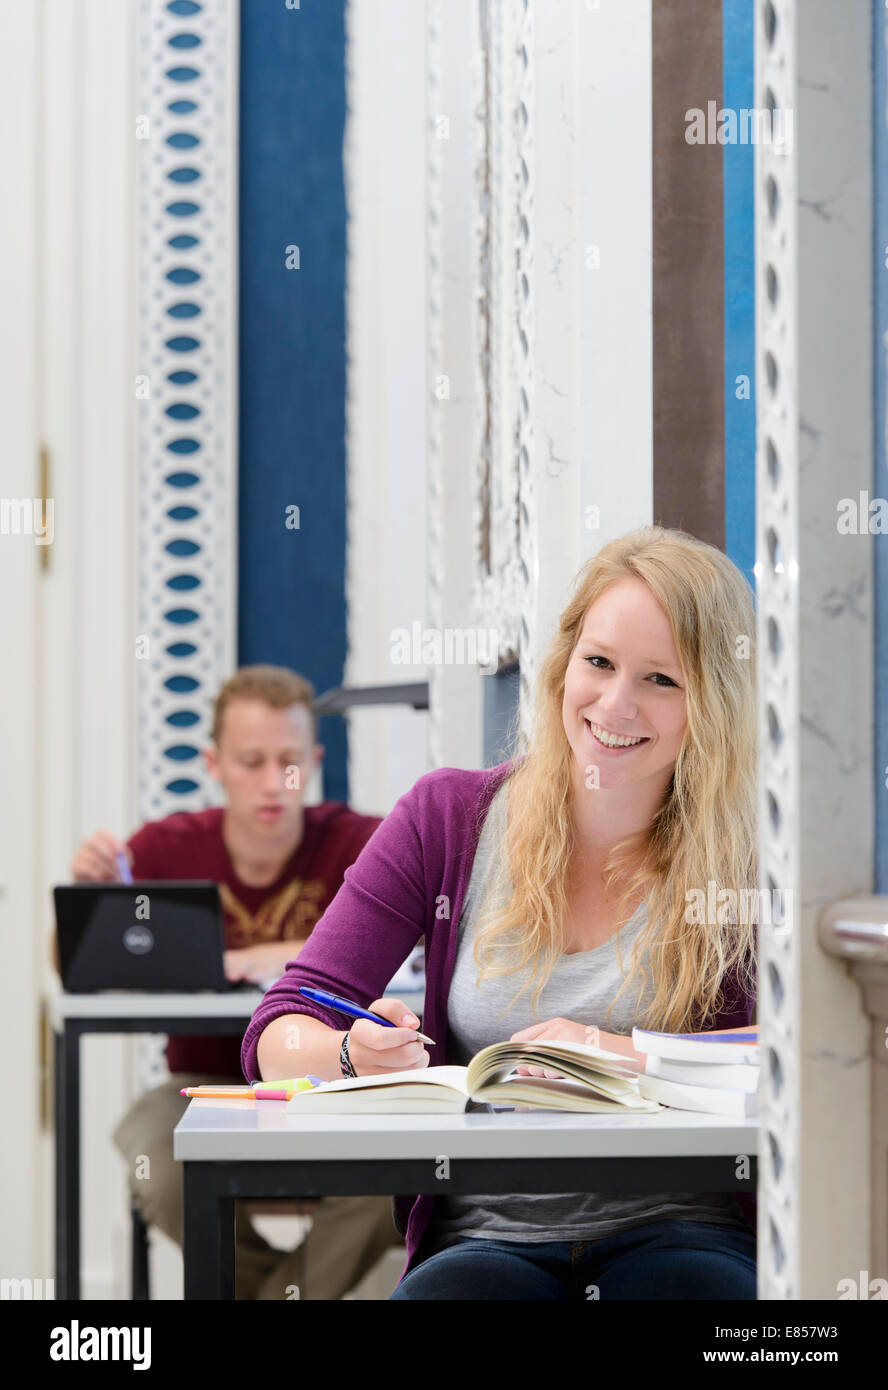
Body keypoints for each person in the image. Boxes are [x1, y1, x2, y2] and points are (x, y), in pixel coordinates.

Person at [243, 527, 760, 1301]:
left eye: (662, 679)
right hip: (486, 1240)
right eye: (599, 662)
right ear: (562, 665)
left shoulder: (750, 855)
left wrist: (628, 1055)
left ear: (712, 704)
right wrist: (351, 1054)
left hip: (691, 1235)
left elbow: (806, 1060)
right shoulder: (445, 819)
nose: (616, 703)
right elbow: (277, 1031)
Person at [62, 665, 405, 1299]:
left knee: (395, 1177)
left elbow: (423, 939)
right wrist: (93, 903)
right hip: (200, 1090)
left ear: (316, 760)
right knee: (160, 1167)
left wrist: (274, 954)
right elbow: (75, 967)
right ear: (214, 764)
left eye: (290, 761)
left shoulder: (365, 844)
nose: (274, 783)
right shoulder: (163, 849)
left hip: (329, 1088)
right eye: (250, 762)